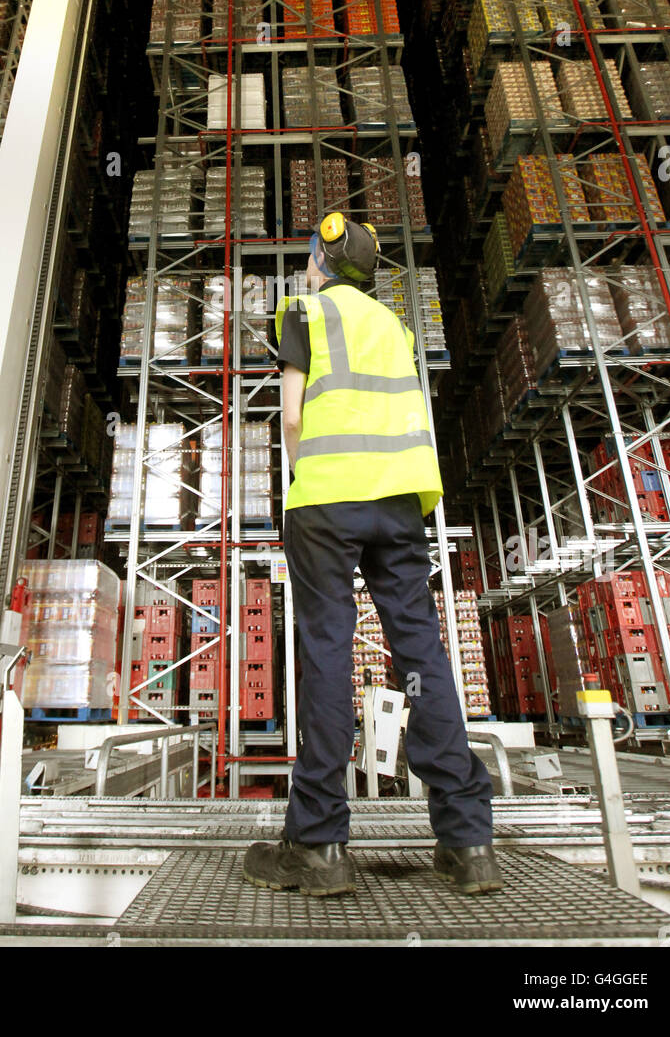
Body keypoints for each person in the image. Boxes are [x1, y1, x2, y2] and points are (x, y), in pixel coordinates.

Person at [242, 212, 502, 898]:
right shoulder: (395, 327)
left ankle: (320, 844)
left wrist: (302, 479)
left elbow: (294, 416)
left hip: (329, 498)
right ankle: (469, 841)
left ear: (323, 263)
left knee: (329, 649)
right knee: (420, 651)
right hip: (400, 501)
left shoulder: (305, 311)